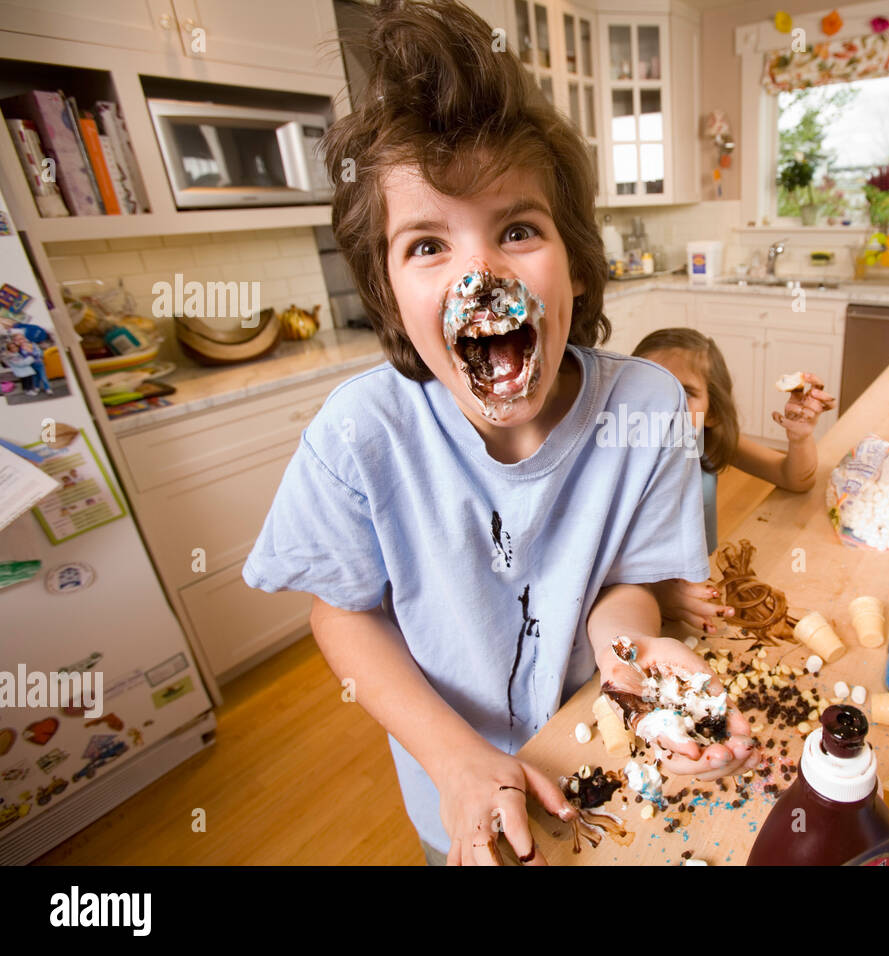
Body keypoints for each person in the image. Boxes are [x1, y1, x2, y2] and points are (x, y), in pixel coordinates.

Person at [242, 0, 756, 867]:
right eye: (426, 245)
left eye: (517, 230)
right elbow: (341, 616)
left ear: (578, 260)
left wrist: (630, 649)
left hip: (601, 744)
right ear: (389, 294)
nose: (482, 277)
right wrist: (452, 761)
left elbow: (626, 583)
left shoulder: (652, 408)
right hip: (457, 787)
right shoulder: (360, 436)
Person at [632, 328, 836, 632]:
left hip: (699, 589)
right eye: (650, 385)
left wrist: (800, 436)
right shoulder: (616, 459)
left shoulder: (705, 441)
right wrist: (657, 592)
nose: (665, 403)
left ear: (712, 413)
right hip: (635, 605)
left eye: (684, 392)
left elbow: (794, 478)